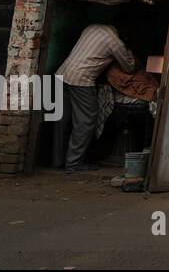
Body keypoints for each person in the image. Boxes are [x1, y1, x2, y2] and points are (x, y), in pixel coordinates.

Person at [57, 23, 136, 174]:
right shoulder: (115, 42)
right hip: (81, 80)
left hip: (62, 73)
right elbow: (129, 68)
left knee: (63, 121)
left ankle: (59, 160)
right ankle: (73, 163)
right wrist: (128, 50)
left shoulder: (91, 27)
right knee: (85, 122)